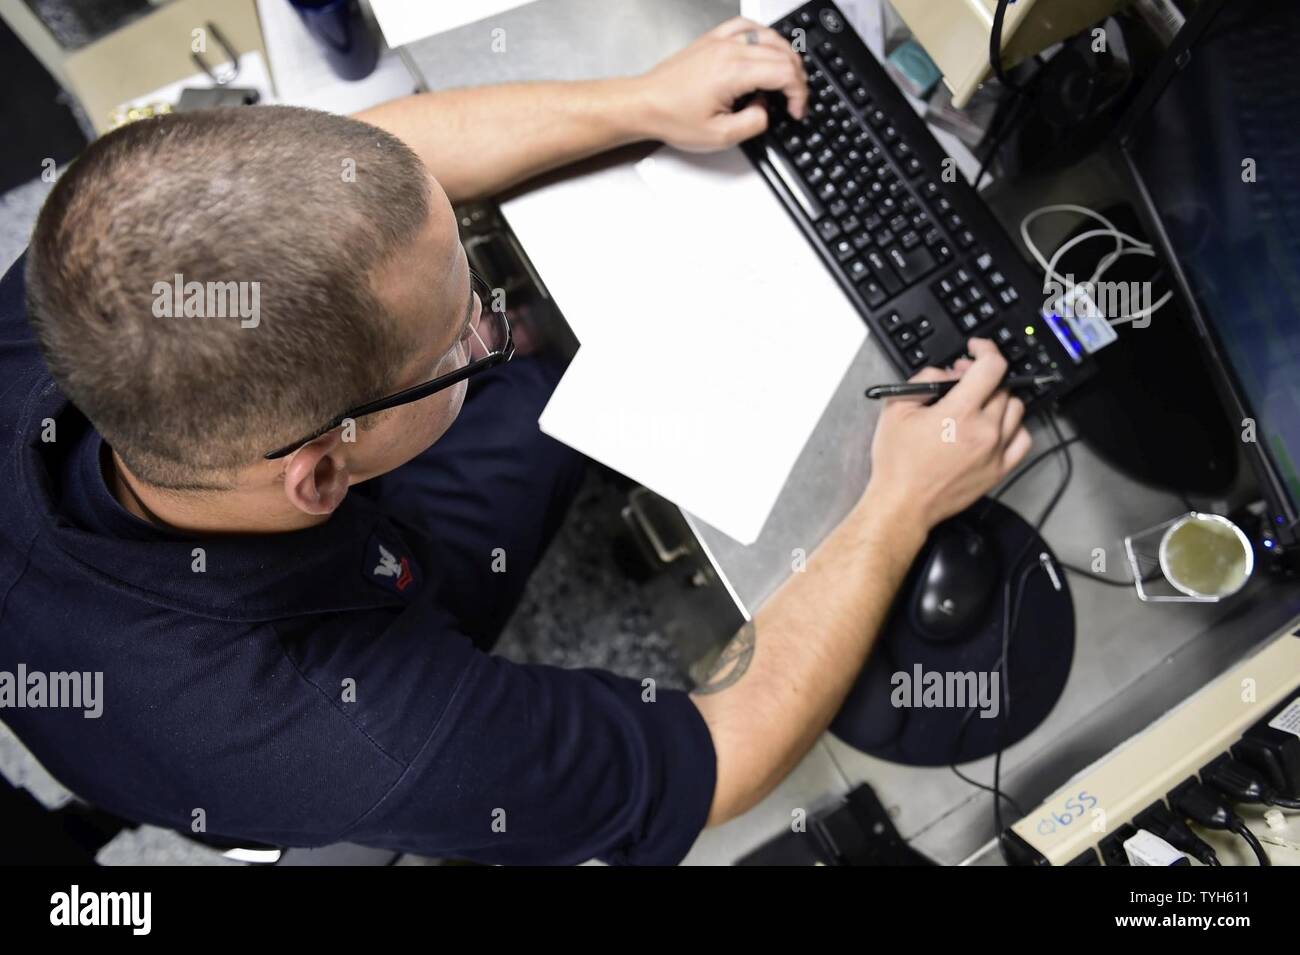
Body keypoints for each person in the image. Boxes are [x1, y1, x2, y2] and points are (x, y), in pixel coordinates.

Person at [0, 18, 1029, 864]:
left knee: (563, 387)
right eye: (464, 334)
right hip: (262, 705)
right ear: (322, 467)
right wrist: (901, 501)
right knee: (557, 390)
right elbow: (717, 758)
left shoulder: (88, 276)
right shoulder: (356, 730)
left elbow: (375, 174)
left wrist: (641, 103)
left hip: (248, 576)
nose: (495, 321)